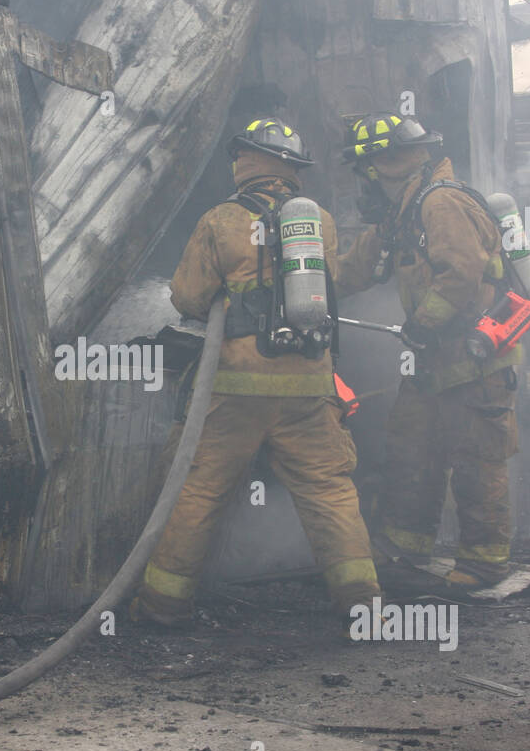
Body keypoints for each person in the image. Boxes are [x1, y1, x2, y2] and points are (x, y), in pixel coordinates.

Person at [131, 118, 382, 633]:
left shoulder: (221, 220)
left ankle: (161, 606)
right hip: (310, 384)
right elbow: (330, 287)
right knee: (329, 492)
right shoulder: (322, 224)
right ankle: (363, 606)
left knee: (199, 489)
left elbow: (188, 297)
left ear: (245, 161)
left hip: (236, 387)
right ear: (292, 170)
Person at [335, 112, 520, 591]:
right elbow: (351, 272)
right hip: (431, 362)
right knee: (412, 447)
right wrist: (295, 285)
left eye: (364, 168)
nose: (363, 180)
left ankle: (484, 562)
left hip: (475, 360)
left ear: (382, 165)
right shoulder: (400, 215)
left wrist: (422, 323)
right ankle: (406, 544)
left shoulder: (441, 202)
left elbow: (461, 273)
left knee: (476, 457)